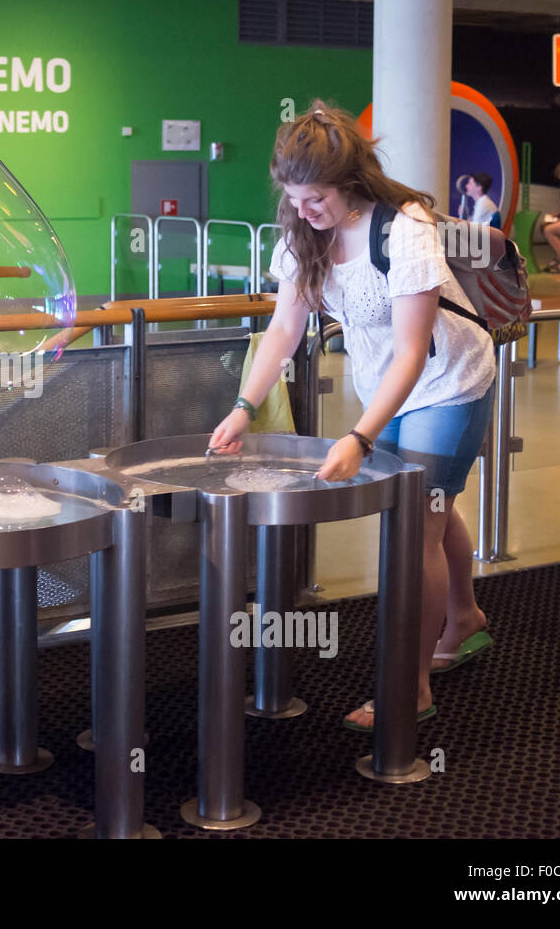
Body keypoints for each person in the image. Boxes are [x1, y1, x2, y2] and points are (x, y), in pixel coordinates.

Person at [210, 102, 497, 732]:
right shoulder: (304, 228)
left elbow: (414, 352)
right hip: (386, 386)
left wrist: (360, 437)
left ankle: (410, 689)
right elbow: (284, 328)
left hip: (447, 380)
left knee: (416, 523)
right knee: (430, 504)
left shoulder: (404, 227)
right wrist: (242, 407)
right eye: (294, 199)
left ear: (351, 182)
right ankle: (465, 615)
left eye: (316, 198)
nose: (304, 210)